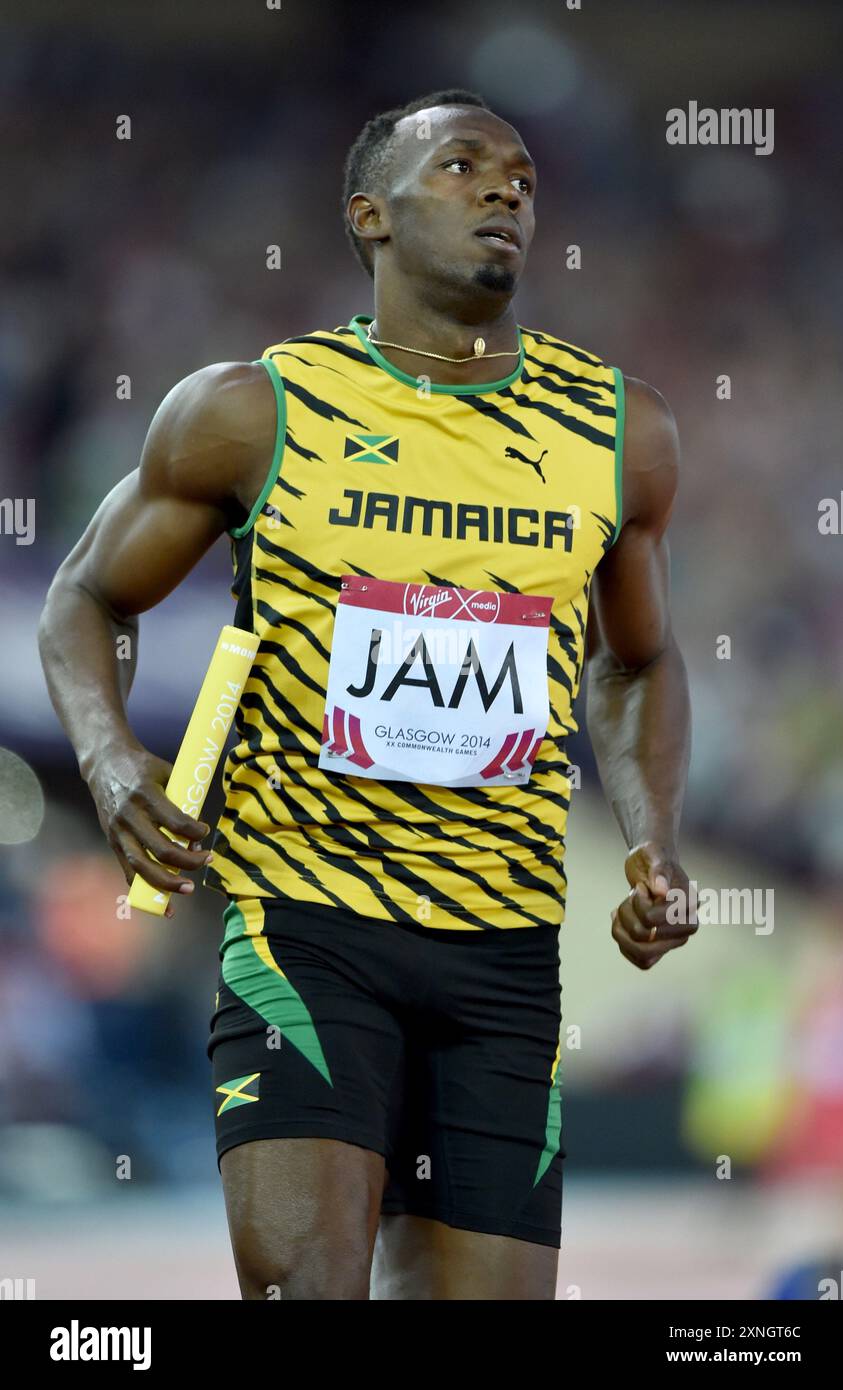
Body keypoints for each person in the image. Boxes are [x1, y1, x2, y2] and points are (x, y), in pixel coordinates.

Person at [39, 88, 697, 1300]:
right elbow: (82, 598)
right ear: (369, 216)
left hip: (503, 950)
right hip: (305, 923)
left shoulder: (619, 430)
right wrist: (111, 758)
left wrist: (651, 840)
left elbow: (638, 660)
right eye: (461, 166)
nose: (506, 190)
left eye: (522, 177)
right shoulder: (254, 411)